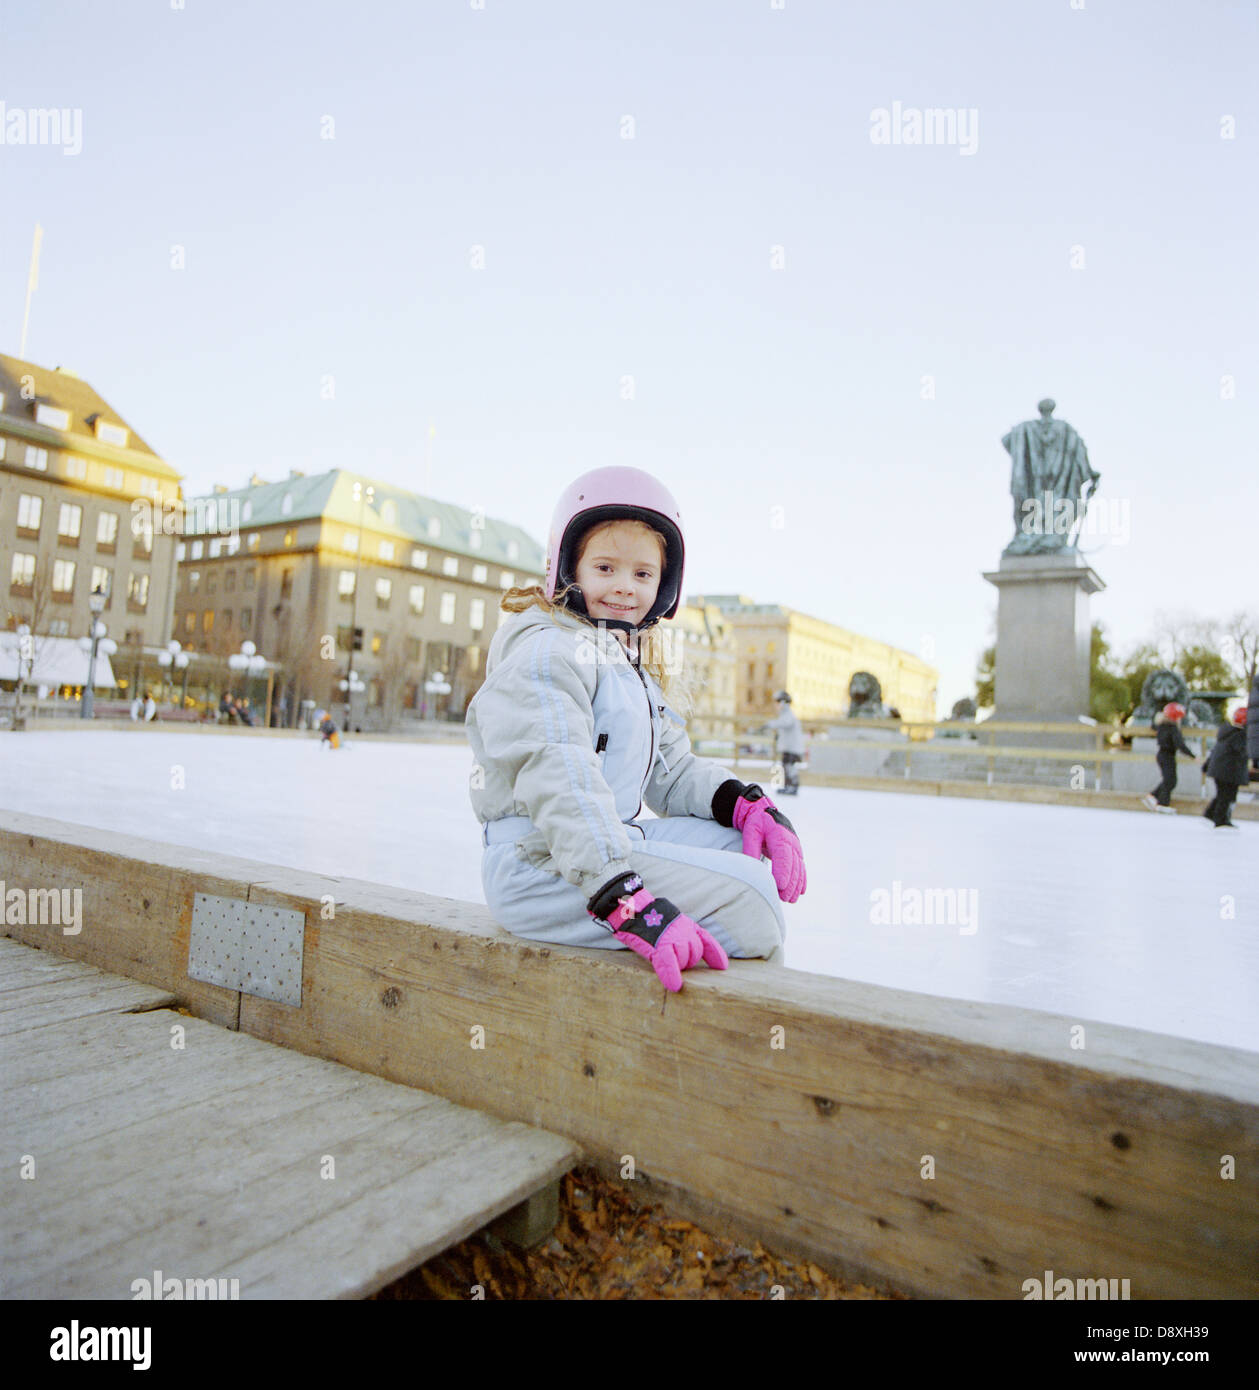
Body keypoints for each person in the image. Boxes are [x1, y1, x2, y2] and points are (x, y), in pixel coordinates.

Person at [465, 466, 806, 993]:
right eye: (606, 567)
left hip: (599, 848)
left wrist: (742, 802)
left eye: (643, 575)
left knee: (742, 848)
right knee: (752, 900)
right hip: (542, 866)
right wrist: (624, 900)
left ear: (663, 585)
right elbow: (561, 778)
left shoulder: (623, 663)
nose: (625, 587)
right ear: (567, 567)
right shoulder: (548, 651)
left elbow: (672, 773)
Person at [1142, 702, 1194, 813]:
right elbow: (1180, 744)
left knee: (1169, 779)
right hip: (1168, 755)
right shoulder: (1173, 728)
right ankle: (1158, 800)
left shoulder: (1161, 725)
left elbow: (1153, 726)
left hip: (1162, 755)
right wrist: (1192, 756)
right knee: (1170, 780)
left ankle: (1155, 798)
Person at [1202, 707, 1247, 829]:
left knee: (1223, 794)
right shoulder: (1240, 735)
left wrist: (1207, 765)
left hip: (1222, 770)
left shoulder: (1227, 732)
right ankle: (1220, 819)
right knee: (1226, 795)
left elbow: (1215, 750)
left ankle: (1211, 814)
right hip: (1228, 771)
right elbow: (1241, 750)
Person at [761, 691, 805, 795]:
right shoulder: (784, 714)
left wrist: (770, 724)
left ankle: (793, 786)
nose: (776, 705)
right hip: (788, 746)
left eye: (778, 702)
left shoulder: (788, 714)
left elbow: (785, 723)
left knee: (790, 766)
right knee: (785, 766)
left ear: (783, 702)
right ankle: (787, 786)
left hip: (792, 747)